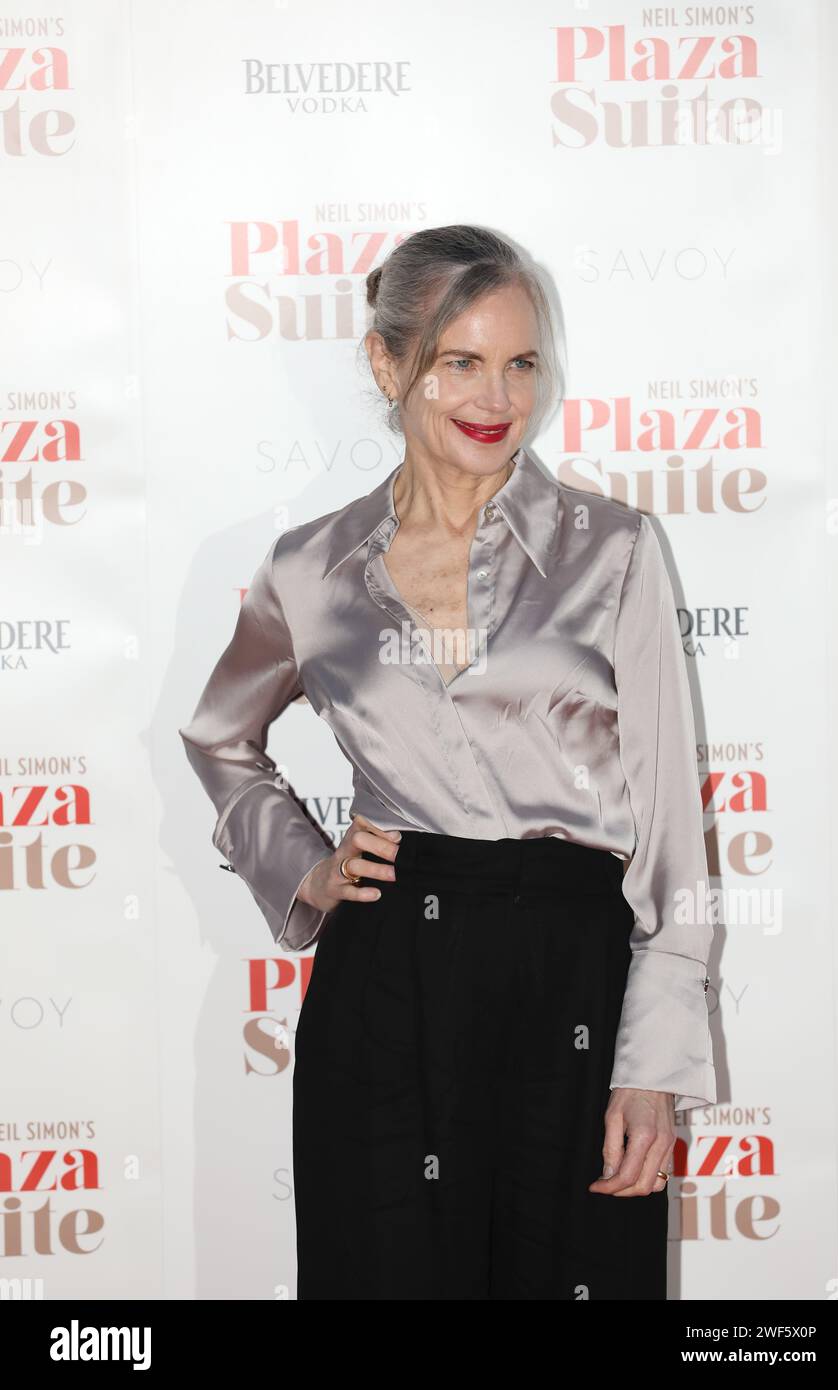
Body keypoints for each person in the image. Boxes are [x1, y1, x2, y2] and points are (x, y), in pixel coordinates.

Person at [178, 224, 717, 1301]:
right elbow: (218, 738)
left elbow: (667, 835)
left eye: (521, 362)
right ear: (389, 366)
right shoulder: (310, 567)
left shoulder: (611, 548)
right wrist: (305, 866)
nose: (496, 395)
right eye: (459, 361)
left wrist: (651, 1067)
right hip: (387, 988)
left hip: (571, 977)